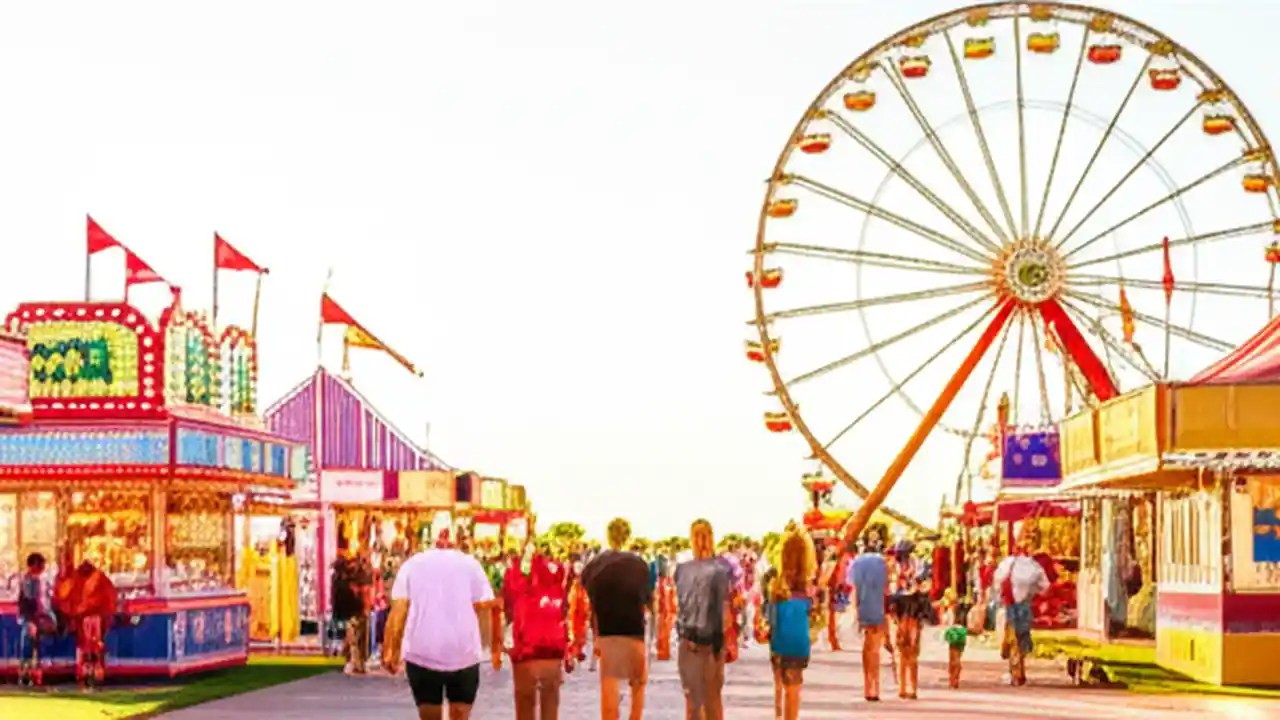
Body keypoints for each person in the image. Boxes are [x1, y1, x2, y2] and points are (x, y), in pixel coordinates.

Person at [382, 540, 495, 720]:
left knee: (429, 714)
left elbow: (399, 610)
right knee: (460, 713)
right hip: (463, 653)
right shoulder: (471, 565)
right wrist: (484, 645)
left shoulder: (411, 565)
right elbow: (484, 606)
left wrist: (391, 650)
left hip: (422, 652)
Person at [581, 518, 651, 720]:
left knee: (609, 683)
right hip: (634, 629)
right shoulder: (640, 564)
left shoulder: (595, 564)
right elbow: (646, 598)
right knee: (638, 683)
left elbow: (587, 594)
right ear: (628, 535)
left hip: (607, 630)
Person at [674, 518, 733, 720]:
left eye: (704, 536)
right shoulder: (683, 569)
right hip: (690, 641)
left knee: (710, 703)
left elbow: (725, 607)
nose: (700, 541)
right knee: (695, 703)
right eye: (697, 536)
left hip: (710, 644)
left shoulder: (720, 569)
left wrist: (727, 641)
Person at [504, 543, 569, 720]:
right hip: (552, 650)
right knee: (550, 707)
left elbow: (508, 609)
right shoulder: (556, 576)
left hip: (525, 651)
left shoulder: (515, 577)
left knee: (524, 708)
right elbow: (563, 612)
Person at [766, 527, 815, 720]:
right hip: (800, 643)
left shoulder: (776, 585)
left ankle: (778, 716)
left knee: (779, 685)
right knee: (794, 690)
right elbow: (814, 616)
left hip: (779, 641)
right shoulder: (808, 586)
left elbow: (769, 617)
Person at [994, 540, 1051, 686]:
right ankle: (1020, 670)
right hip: (1025, 605)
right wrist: (1032, 593)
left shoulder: (1008, 563)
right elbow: (1045, 587)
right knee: (1022, 637)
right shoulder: (1034, 566)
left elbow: (997, 581)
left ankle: (1016, 672)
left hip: (1010, 604)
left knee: (1013, 639)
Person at [847, 535, 888, 702]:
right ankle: (875, 687)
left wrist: (855, 610)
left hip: (864, 605)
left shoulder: (857, 563)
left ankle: (867, 685)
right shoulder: (882, 563)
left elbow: (853, 588)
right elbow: (887, 588)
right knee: (875, 648)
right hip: (878, 605)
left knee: (867, 645)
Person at [17, 553, 54, 687]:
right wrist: (32, 620)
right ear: (34, 565)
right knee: (29, 646)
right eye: (41, 564)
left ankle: (31, 674)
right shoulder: (29, 581)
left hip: (36, 618)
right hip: (31, 619)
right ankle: (26, 675)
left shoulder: (36, 580)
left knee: (33, 647)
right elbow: (29, 602)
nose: (43, 567)